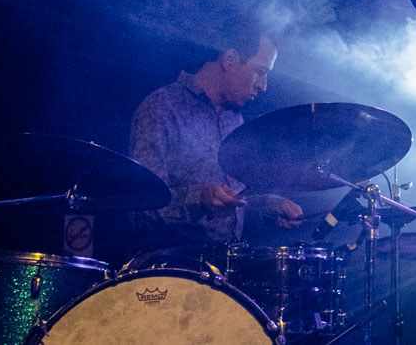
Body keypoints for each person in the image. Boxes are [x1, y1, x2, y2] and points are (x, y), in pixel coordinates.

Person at [129, 17, 304, 255]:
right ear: (229, 59)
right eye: (260, 71)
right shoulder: (161, 107)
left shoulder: (235, 120)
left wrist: (270, 206)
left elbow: (233, 201)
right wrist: (199, 198)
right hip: (170, 265)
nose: (263, 85)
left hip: (224, 265)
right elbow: (140, 208)